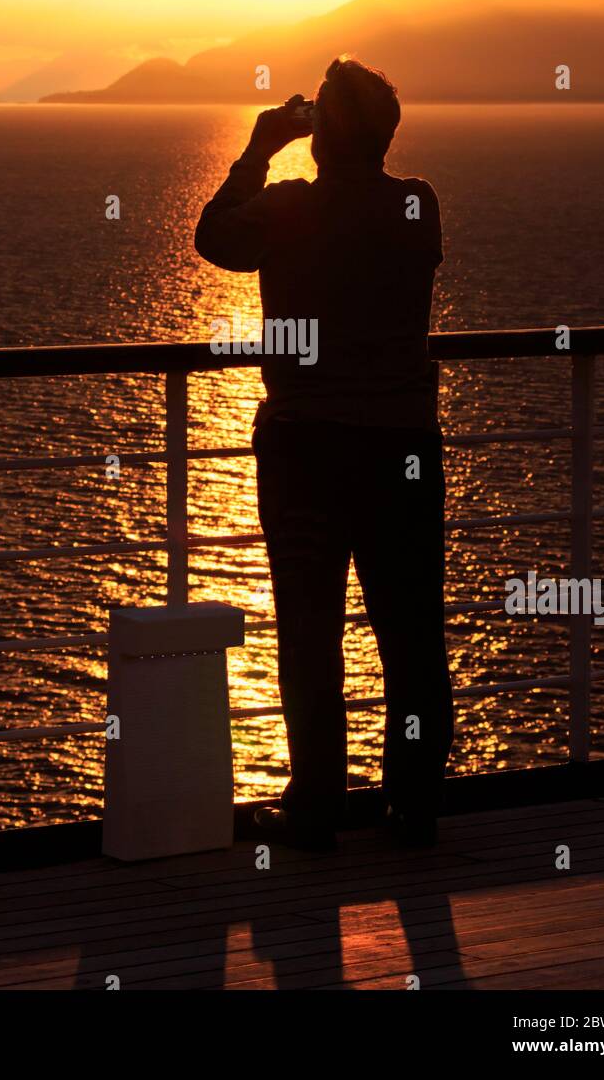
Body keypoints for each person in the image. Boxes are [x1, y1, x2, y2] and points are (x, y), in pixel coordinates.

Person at [195, 56, 452, 851]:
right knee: (410, 631)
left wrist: (259, 145)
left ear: (317, 138)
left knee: (311, 632)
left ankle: (317, 808)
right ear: (386, 135)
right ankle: (411, 805)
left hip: (305, 448)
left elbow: (212, 236)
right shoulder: (417, 206)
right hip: (402, 449)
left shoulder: (287, 211)